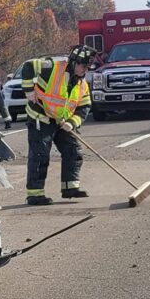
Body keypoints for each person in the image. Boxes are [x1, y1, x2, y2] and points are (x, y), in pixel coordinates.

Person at [21, 45, 97, 205]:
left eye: (87, 67)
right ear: (74, 62)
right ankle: (35, 194)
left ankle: (70, 187)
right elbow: (28, 65)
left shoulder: (82, 84)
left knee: (73, 150)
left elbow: (84, 106)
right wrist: (28, 90)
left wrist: (72, 122)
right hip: (40, 117)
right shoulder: (52, 67)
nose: (85, 70)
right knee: (40, 154)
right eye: (83, 66)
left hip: (61, 121)